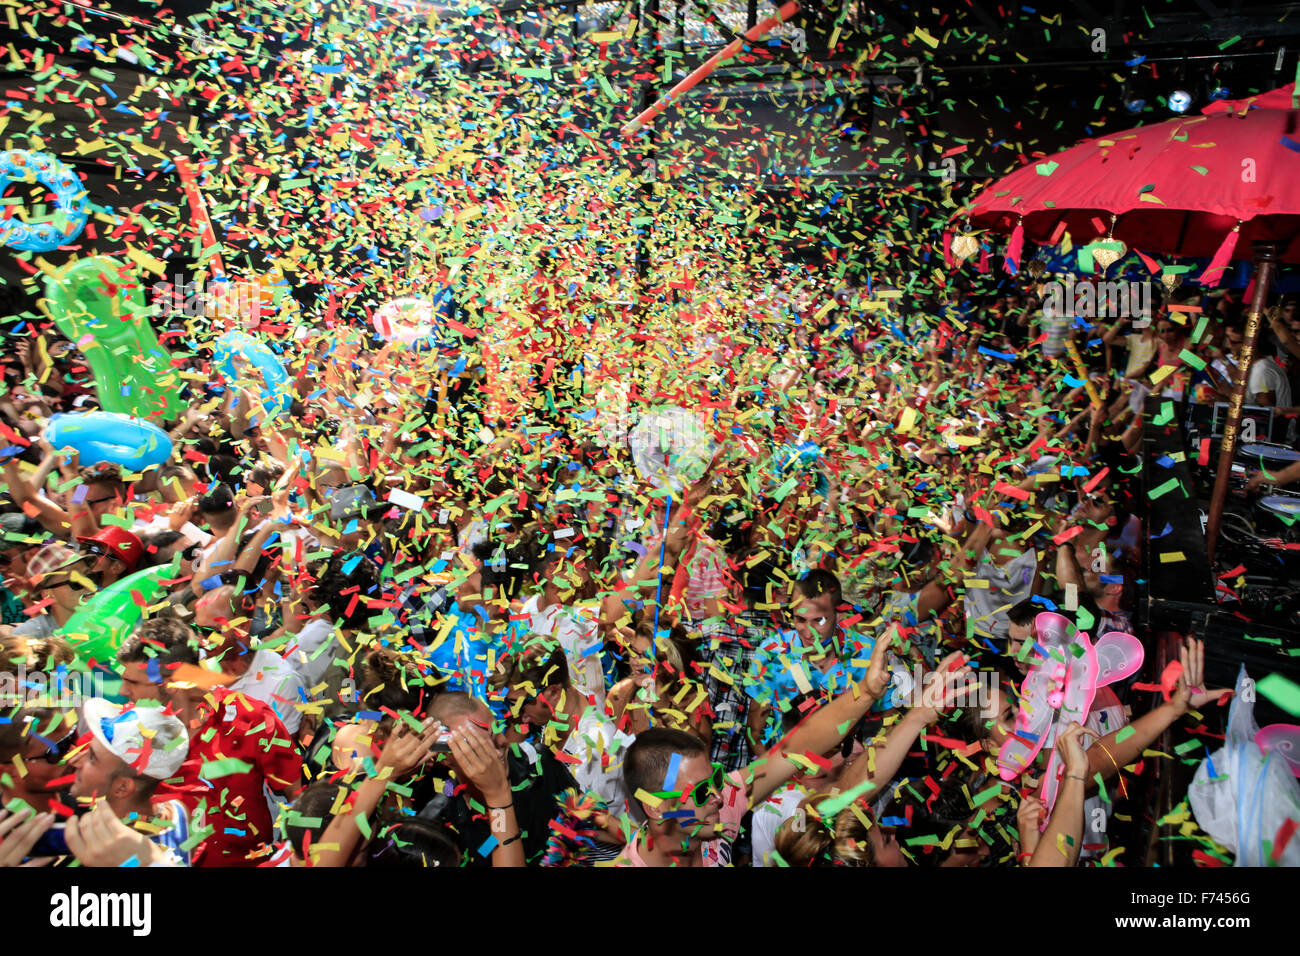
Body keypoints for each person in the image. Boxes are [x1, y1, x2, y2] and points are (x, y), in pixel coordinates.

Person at [115, 616, 304, 866]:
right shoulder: (123, 730)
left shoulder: (252, 719)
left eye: (132, 682)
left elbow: (297, 795)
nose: (122, 692)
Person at [423, 691, 576, 866]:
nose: (498, 748)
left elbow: (588, 821)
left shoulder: (537, 760)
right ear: (446, 758)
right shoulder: (443, 819)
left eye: (496, 731)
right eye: (479, 747)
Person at [69, 697, 196, 864]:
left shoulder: (103, 853)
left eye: (92, 758)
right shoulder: (178, 814)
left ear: (123, 787)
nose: (75, 761)